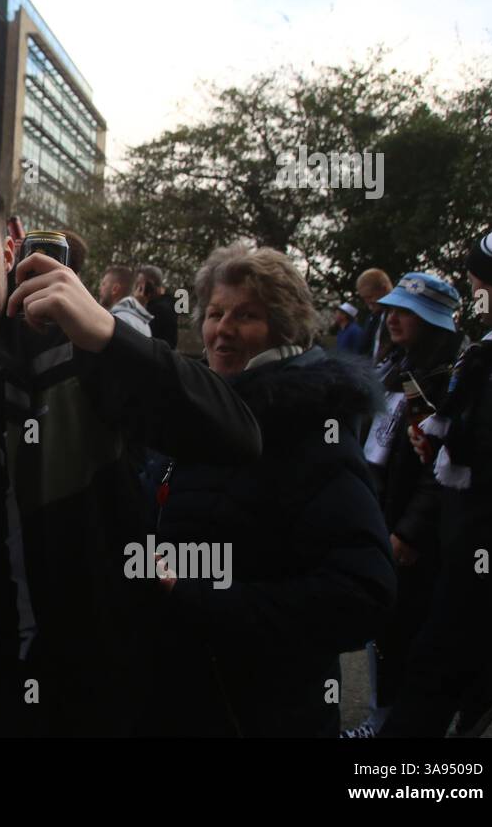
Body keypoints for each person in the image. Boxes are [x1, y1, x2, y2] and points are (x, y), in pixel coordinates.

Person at [0, 174, 264, 737]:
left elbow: (236, 436)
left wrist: (111, 335)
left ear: (10, 255)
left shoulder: (71, 347)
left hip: (96, 678)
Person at [134, 243, 395, 736]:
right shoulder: (198, 416)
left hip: (264, 712)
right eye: (214, 313)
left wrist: (198, 598)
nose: (222, 330)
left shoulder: (311, 434)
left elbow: (361, 595)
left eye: (246, 316)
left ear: (285, 329)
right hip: (179, 699)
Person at [380, 224, 492, 738]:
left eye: (478, 281)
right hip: (463, 539)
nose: (473, 292)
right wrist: (444, 447)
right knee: (434, 663)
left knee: (427, 672)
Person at [341, 272, 463, 738]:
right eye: (389, 309)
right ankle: (383, 713)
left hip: (409, 525)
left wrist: (410, 530)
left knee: (404, 626)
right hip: (379, 507)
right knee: (383, 622)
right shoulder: (397, 365)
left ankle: (390, 720)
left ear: (430, 321)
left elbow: (441, 467)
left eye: (404, 312)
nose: (391, 318)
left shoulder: (447, 377)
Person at [99, 264, 154, 337]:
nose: (100, 288)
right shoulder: (146, 326)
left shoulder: (115, 322)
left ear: (115, 289)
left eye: (103, 284)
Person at [136, 264, 179, 349]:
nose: (138, 290)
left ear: (150, 286)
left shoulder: (159, 309)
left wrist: (139, 305)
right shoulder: (167, 302)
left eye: (141, 286)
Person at [357, 268, 394, 361]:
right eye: (364, 298)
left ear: (384, 289)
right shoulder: (373, 318)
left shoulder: (400, 319)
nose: (367, 303)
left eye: (370, 297)